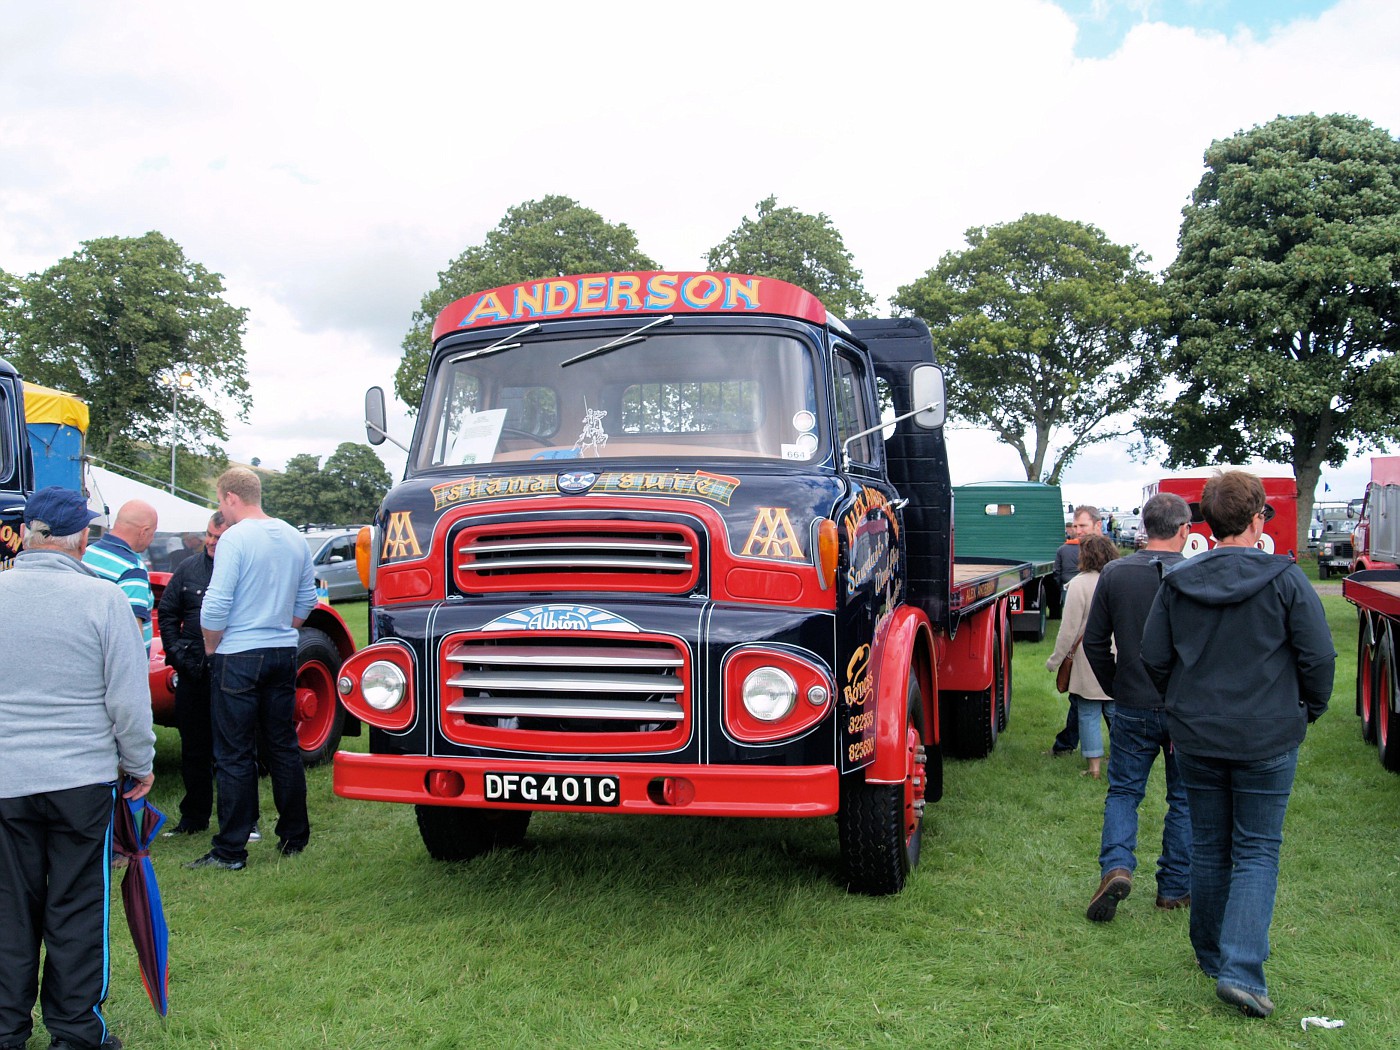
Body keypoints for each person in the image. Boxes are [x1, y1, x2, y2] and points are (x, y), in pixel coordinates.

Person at [1141, 470, 1335, 1018]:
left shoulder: (1178, 581)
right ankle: (1239, 967)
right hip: (1265, 734)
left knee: (1211, 843)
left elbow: (1154, 659)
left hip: (1203, 733)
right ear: (1257, 520)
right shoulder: (1286, 578)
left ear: (1207, 521)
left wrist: (1182, 703)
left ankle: (1215, 956)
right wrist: (1308, 709)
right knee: (1254, 849)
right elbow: (1318, 659)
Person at [0, 487, 155, 1050]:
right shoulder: (104, 598)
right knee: (77, 906)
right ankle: (74, 1032)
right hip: (79, 781)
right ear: (82, 538)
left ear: (28, 536)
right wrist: (140, 765)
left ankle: (6, 1029)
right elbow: (128, 701)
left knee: (9, 908)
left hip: (7, 779)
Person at [189, 467, 316, 871]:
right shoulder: (294, 536)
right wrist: (281, 626)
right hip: (281, 650)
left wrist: (212, 647)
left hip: (239, 652)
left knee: (233, 753)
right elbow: (307, 599)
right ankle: (294, 836)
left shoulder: (236, 537)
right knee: (282, 745)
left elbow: (216, 602)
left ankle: (231, 849)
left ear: (229, 497)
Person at [1081, 492, 1193, 923]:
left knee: (1125, 791)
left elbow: (1094, 641)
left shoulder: (1115, 573)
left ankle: (1117, 867)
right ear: (1184, 530)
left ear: (1145, 528)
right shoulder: (1195, 573)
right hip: (1183, 705)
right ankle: (1176, 888)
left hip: (1132, 699)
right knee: (1183, 798)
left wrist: (1116, 684)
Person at [158, 511, 228, 837]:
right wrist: (177, 654)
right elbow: (168, 613)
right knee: (193, 750)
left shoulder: (240, 569)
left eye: (219, 537)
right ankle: (193, 818)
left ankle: (241, 818)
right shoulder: (188, 568)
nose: (211, 542)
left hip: (230, 672)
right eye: (209, 535)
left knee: (233, 750)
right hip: (191, 671)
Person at [1045, 533, 1118, 778]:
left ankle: (1094, 768)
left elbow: (1069, 630)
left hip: (1088, 657)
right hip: (1116, 654)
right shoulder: (1118, 578)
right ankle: (1122, 760)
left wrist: (1055, 660)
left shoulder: (1078, 584)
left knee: (1087, 712)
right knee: (1115, 711)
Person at [1049, 504, 1103, 757]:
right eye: (1075, 525)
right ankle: (1066, 744)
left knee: (1091, 704)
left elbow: (1070, 626)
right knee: (1084, 701)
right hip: (1099, 649)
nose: (1077, 531)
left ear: (1098, 526)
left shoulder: (1089, 577)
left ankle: (1075, 748)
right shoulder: (1083, 557)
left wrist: (1056, 659)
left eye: (1083, 526)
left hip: (1094, 650)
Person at [83, 499, 158, 652]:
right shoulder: (133, 570)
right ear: (143, 532)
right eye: (152, 533)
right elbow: (131, 636)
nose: (152, 539)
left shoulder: (87, 553)